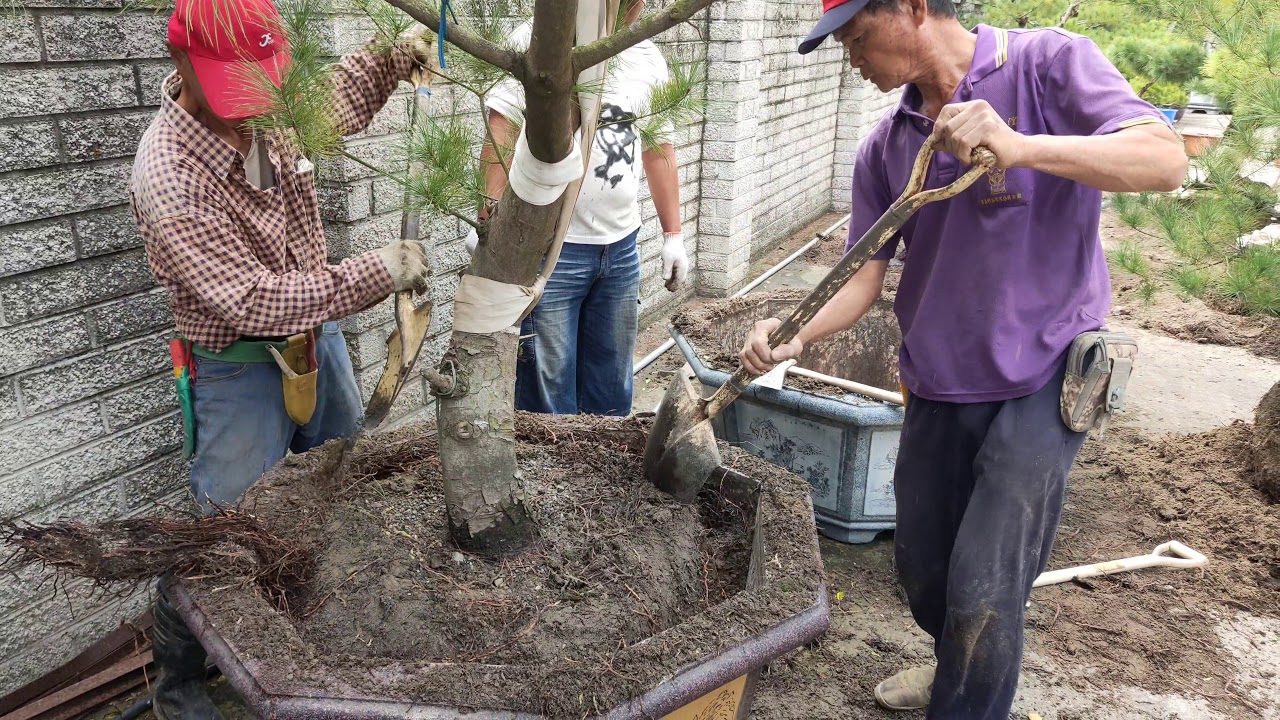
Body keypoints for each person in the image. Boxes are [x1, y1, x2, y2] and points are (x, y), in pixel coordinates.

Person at [741, 1, 1188, 717]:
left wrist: (1022, 145)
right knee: (926, 575)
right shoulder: (887, 147)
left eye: (858, 37)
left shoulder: (1047, 65)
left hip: (1044, 377)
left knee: (983, 587)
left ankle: (967, 697)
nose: (852, 60)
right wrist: (795, 333)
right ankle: (954, 663)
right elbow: (863, 277)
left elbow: (1166, 161)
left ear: (914, 7)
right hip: (938, 379)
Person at [128, 0, 429, 715]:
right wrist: (374, 273)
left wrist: (394, 54)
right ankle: (179, 689)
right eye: (235, 92)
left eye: (263, 88)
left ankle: (320, 635)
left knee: (341, 481)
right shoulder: (169, 176)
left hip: (314, 342)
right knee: (224, 536)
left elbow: (336, 99)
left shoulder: (270, 106)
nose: (252, 112)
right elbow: (251, 301)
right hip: (237, 363)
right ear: (182, 65)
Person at [479, 0, 689, 417]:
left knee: (610, 384)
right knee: (549, 392)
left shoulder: (644, 54)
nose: (633, 7)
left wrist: (673, 235)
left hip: (621, 248)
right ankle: (550, 480)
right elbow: (502, 127)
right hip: (553, 251)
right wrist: (488, 213)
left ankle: (604, 480)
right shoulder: (539, 43)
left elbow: (657, 147)